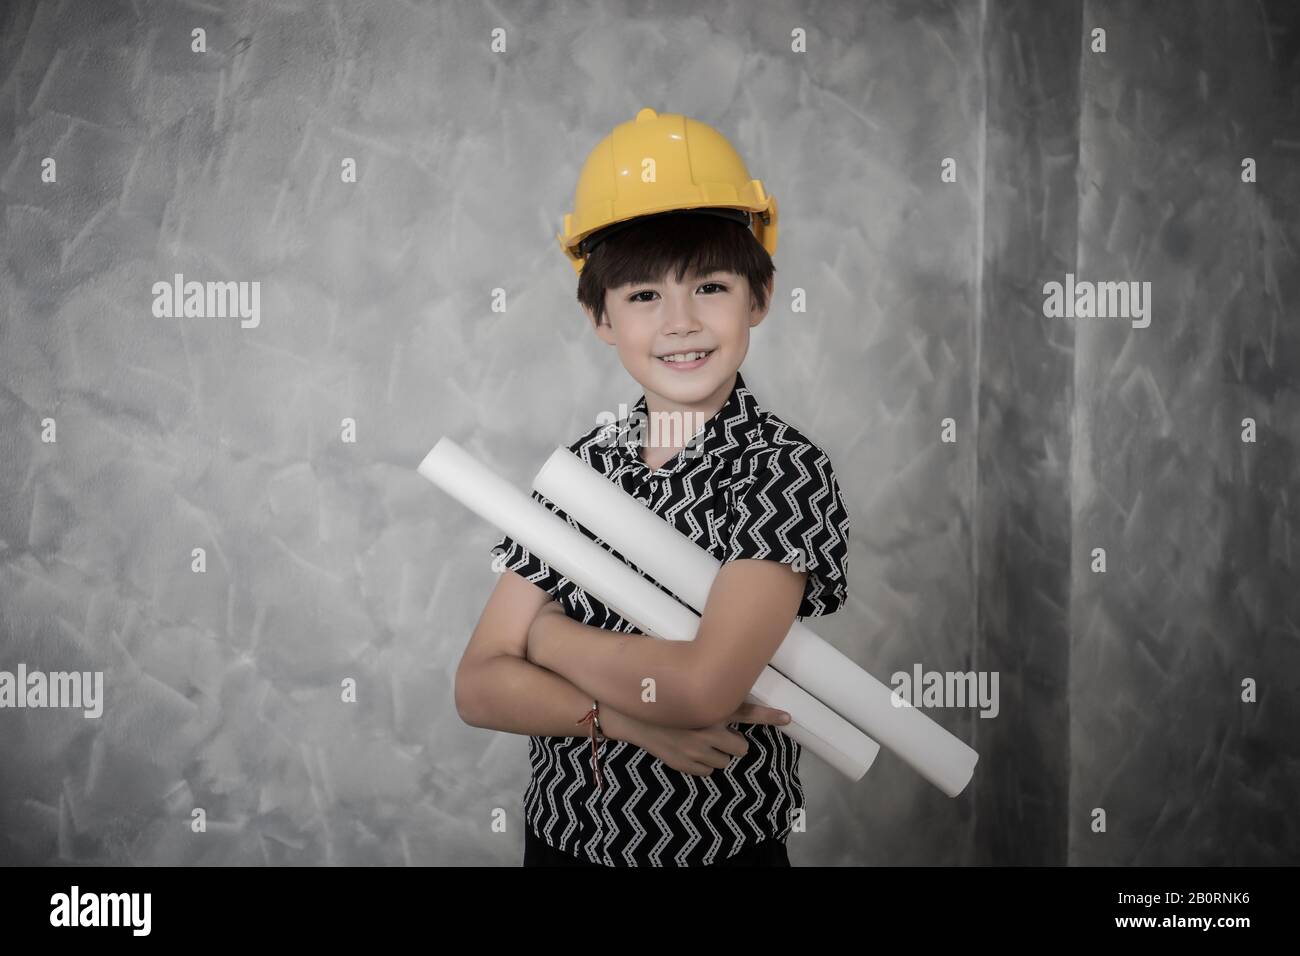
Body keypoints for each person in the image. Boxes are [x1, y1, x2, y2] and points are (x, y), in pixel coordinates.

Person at [455, 108, 850, 867]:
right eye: (643, 296)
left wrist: (546, 640)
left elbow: (702, 689)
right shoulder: (582, 472)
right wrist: (626, 720)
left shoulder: (781, 471)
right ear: (599, 316)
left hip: (718, 850)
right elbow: (479, 686)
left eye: (710, 286)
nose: (680, 322)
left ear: (759, 298)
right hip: (564, 839)